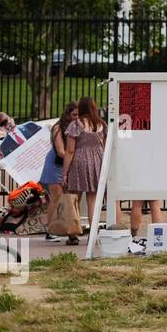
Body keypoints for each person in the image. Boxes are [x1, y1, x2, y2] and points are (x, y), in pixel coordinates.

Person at [63, 97, 108, 231]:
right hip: (97, 161)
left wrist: (64, 173)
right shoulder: (101, 124)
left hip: (79, 161)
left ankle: (73, 232)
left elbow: (70, 150)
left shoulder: (76, 125)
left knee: (74, 198)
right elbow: (105, 147)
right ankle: (93, 233)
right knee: (92, 199)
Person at [48, 103, 80, 244]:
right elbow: (61, 151)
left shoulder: (76, 126)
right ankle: (50, 231)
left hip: (67, 164)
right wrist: (75, 158)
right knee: (56, 198)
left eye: (78, 115)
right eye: (74, 115)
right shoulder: (58, 127)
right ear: (67, 114)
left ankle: (68, 228)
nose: (76, 118)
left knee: (69, 198)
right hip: (55, 165)